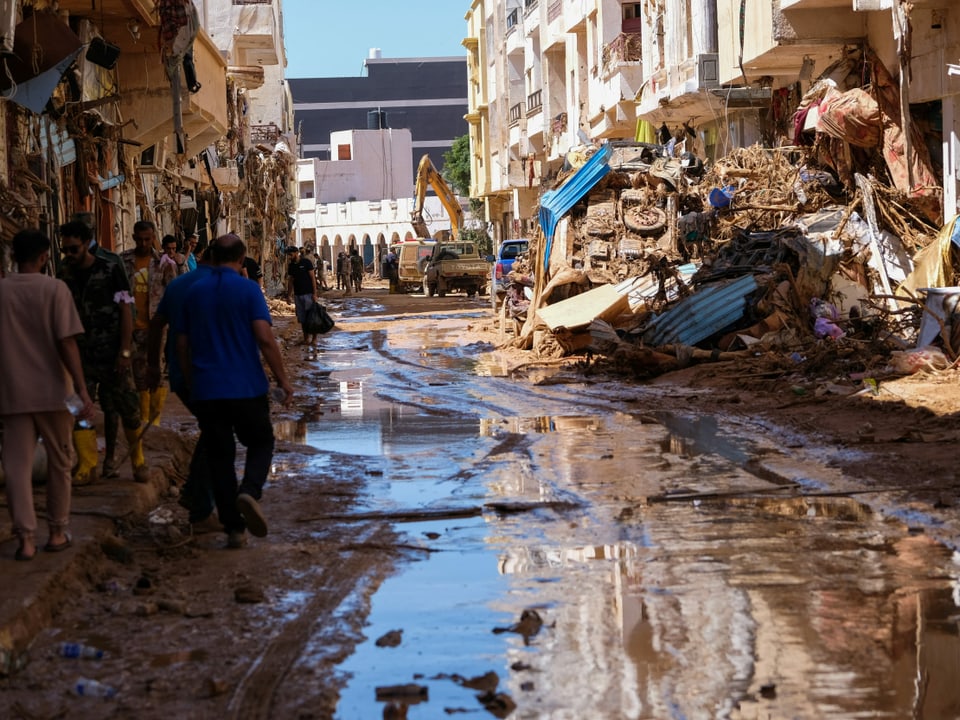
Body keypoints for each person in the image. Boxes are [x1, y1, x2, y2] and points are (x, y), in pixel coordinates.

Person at [176, 233, 293, 549]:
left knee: (220, 457)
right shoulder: (248, 290)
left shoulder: (194, 291)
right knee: (261, 441)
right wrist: (283, 379)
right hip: (245, 386)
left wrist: (191, 381)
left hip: (207, 389)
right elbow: (265, 339)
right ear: (241, 260)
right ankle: (250, 491)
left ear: (211, 256)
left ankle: (234, 529)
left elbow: (182, 345)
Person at [0, 229, 94, 560]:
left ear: (13, 255)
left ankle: (25, 539)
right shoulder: (56, 289)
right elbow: (68, 342)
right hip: (55, 393)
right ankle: (56, 532)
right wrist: (82, 390)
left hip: (12, 394)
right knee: (60, 462)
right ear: (43, 257)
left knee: (16, 467)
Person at [58, 220, 149, 484]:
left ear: (87, 244)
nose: (69, 255)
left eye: (74, 249)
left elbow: (125, 309)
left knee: (128, 408)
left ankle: (138, 460)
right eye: (65, 250)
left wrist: (124, 352)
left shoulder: (111, 268)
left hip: (113, 352)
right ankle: (87, 463)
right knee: (78, 409)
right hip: (80, 354)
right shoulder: (65, 272)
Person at [146, 248, 215, 526]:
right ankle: (199, 504)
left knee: (213, 431)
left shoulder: (178, 284)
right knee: (216, 434)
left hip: (180, 374)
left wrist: (153, 365)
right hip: (210, 375)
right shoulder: (218, 285)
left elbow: (157, 324)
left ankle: (195, 497)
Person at [121, 223, 185, 439]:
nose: (143, 244)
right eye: (139, 239)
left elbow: (174, 292)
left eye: (148, 239)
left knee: (154, 369)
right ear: (133, 237)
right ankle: (141, 418)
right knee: (135, 374)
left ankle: (153, 421)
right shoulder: (124, 261)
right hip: (131, 325)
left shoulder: (163, 263)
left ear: (153, 238)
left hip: (156, 326)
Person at [285, 245, 318, 345]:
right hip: (298, 295)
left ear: (296, 253)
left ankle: (314, 339)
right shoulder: (291, 266)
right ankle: (306, 338)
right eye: (288, 255)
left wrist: (315, 293)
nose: (289, 257)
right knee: (302, 318)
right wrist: (289, 295)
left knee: (311, 317)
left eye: (290, 254)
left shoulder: (306, 263)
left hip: (308, 294)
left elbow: (313, 278)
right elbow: (291, 281)